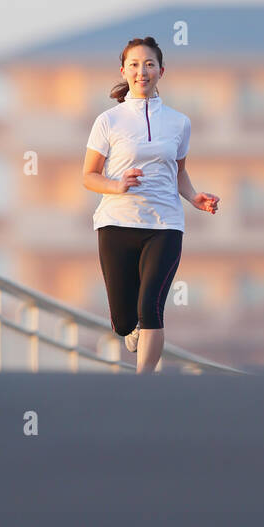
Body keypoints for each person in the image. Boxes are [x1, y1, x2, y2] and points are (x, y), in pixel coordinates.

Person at [82, 36, 220, 374]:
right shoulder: (108, 121)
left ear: (161, 71)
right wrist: (116, 185)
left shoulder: (179, 122)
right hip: (116, 224)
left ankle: (143, 384)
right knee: (124, 319)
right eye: (134, 64)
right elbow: (89, 176)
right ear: (123, 71)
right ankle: (130, 329)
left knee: (151, 308)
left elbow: (180, 173)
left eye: (149, 64)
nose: (142, 71)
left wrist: (195, 197)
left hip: (164, 226)